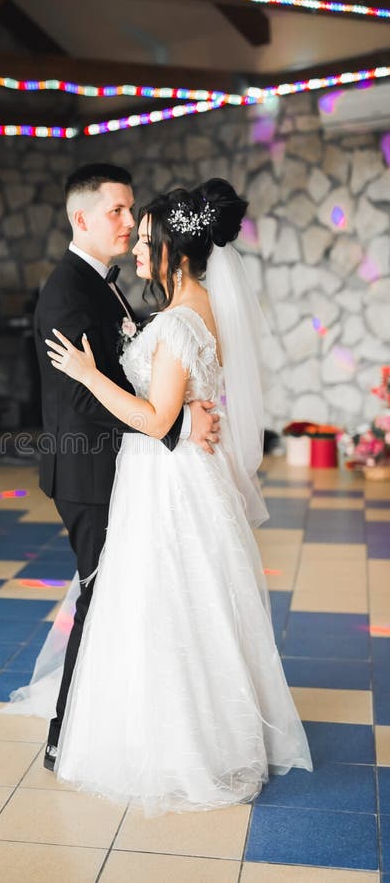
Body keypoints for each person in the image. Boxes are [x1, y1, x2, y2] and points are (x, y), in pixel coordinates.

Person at [42, 179, 312, 814]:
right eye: (130, 231)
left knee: (164, 602)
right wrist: (190, 410)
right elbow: (183, 400)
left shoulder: (179, 320)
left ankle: (181, 744)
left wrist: (89, 375)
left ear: (174, 249)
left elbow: (156, 418)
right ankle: (191, 726)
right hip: (173, 475)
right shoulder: (198, 308)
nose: (137, 246)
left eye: (144, 239)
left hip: (165, 480)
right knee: (182, 600)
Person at [13, 164, 219, 773]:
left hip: (124, 469)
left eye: (133, 212)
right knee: (101, 599)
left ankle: (128, 717)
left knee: (123, 599)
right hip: (90, 474)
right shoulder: (67, 291)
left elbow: (131, 365)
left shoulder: (105, 283)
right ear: (82, 218)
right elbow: (81, 397)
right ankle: (64, 733)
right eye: (118, 212)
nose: (130, 223)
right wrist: (177, 423)